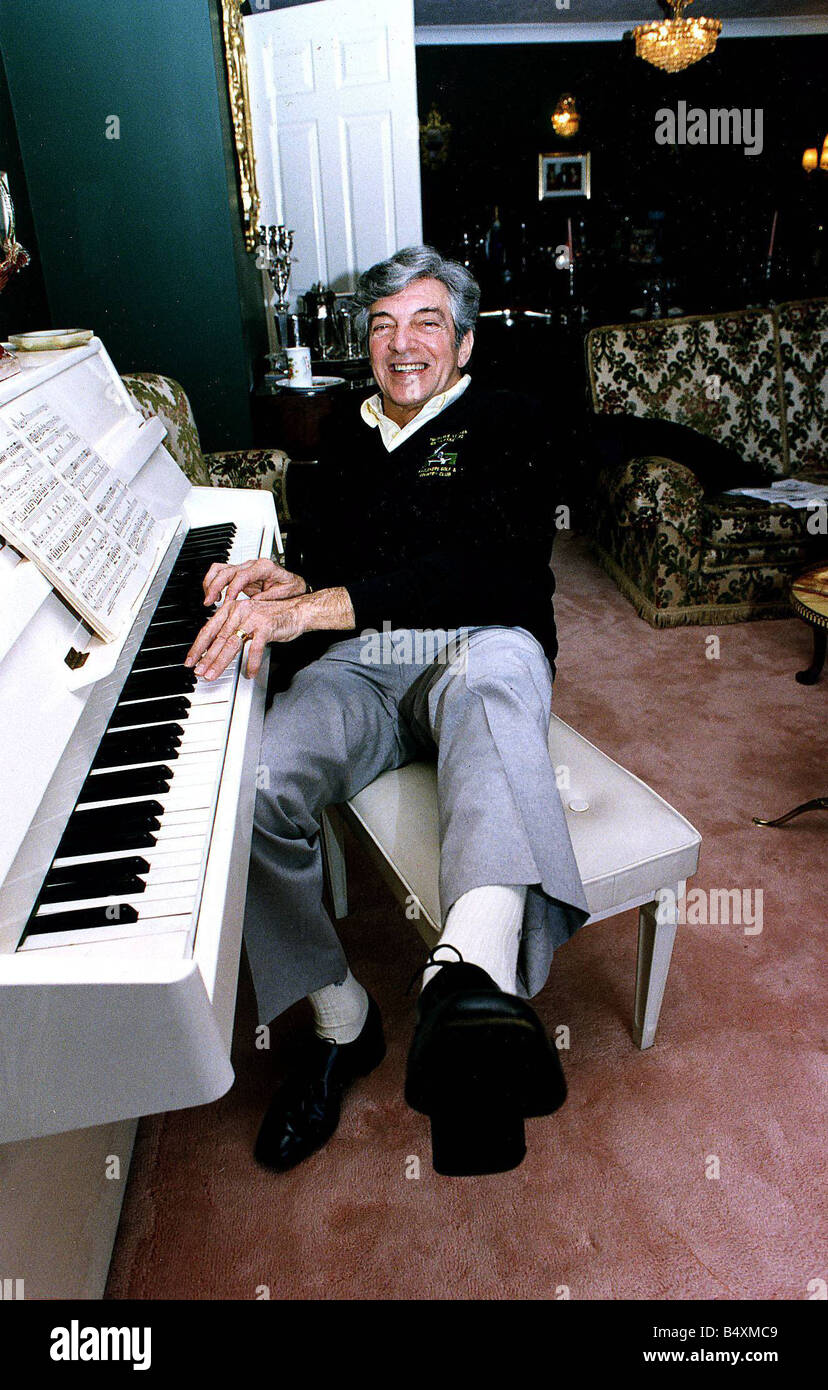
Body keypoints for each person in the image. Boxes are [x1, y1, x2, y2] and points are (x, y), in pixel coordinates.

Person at [185, 245, 589, 1177]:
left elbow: (486, 569)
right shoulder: (341, 431)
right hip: (363, 666)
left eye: (427, 322)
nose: (402, 344)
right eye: (382, 324)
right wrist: (296, 580)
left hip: (475, 643)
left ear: (466, 342)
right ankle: (342, 1018)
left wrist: (319, 605)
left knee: (496, 696)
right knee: (250, 783)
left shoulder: (509, 420)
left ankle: (470, 978)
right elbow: (339, 563)